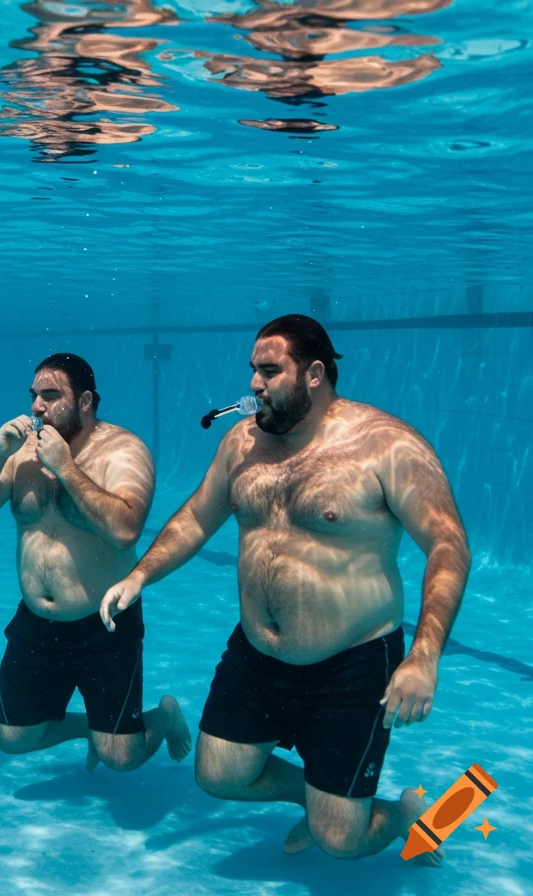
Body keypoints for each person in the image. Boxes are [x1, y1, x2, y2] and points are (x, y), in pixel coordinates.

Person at [101, 314, 470, 862]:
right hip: (259, 655)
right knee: (218, 775)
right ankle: (323, 798)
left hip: (353, 662)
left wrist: (424, 657)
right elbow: (198, 518)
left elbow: (448, 546)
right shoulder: (243, 442)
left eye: (269, 370)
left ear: (315, 373)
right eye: (253, 369)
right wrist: (139, 574)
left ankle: (394, 816)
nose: (253, 383)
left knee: (340, 842)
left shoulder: (385, 446)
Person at [0, 353, 190, 773]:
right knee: (11, 738)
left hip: (105, 622)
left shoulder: (123, 450)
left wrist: (65, 467)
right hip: (38, 622)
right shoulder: (21, 452)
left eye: (50, 396)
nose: (36, 407)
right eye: (34, 396)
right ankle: (91, 729)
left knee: (122, 757)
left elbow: (124, 530)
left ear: (85, 401)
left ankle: (165, 716)